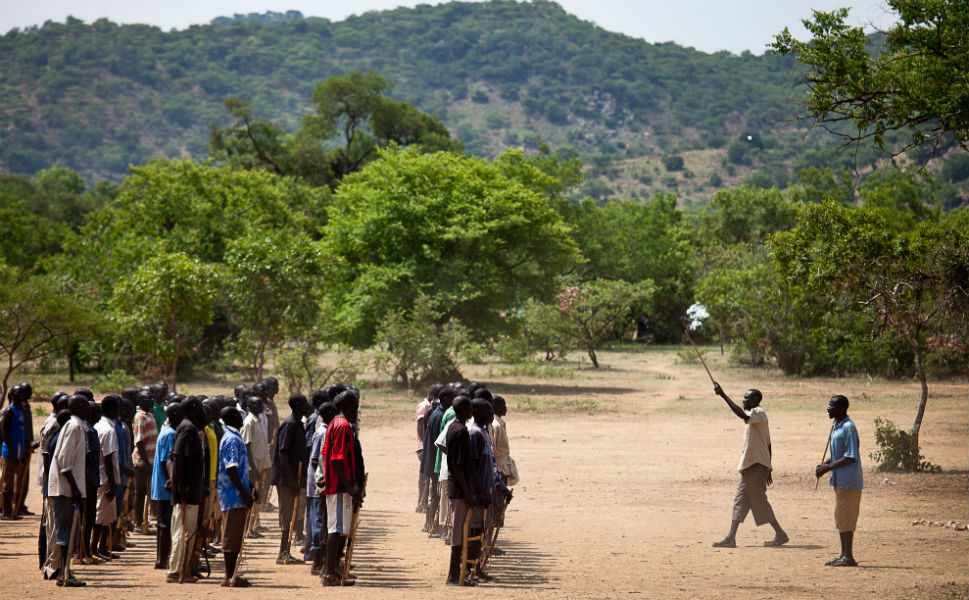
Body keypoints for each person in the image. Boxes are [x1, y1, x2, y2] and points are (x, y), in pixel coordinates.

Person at [711, 382, 788, 548]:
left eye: (747, 398)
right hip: (751, 466)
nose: (743, 400)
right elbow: (767, 443)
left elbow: (742, 415)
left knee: (759, 501)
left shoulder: (758, 413)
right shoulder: (755, 417)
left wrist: (723, 395)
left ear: (755, 400)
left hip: (756, 465)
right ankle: (731, 537)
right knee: (740, 500)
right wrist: (769, 467)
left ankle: (780, 534)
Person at [46, 395, 90, 587]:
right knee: (66, 532)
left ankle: (66, 572)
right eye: (87, 405)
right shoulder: (74, 426)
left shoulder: (76, 425)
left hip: (67, 488)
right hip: (66, 489)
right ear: (80, 406)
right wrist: (76, 489)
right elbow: (64, 461)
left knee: (68, 532)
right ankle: (64, 574)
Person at [815, 394, 863, 567]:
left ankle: (848, 557)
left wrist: (828, 468)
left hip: (849, 482)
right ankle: (843, 554)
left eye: (832, 405)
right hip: (839, 481)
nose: (828, 408)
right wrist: (825, 464)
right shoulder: (837, 425)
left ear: (842, 408)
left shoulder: (849, 427)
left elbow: (851, 456)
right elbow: (839, 455)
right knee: (841, 517)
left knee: (847, 518)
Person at [320, 390, 362, 586]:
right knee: (335, 531)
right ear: (348, 407)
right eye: (355, 406)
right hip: (338, 488)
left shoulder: (334, 424)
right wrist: (349, 486)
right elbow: (336, 460)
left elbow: (325, 453)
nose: (356, 411)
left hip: (337, 486)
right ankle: (329, 573)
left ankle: (335, 569)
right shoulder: (342, 426)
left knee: (337, 529)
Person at [167, 397, 206, 583]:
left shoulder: (188, 427)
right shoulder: (188, 428)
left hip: (190, 491)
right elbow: (178, 458)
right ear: (193, 408)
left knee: (186, 532)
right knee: (183, 533)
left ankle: (182, 570)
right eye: (200, 407)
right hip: (186, 494)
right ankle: (177, 571)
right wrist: (181, 486)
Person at [217, 407, 255, 587]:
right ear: (232, 417)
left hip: (237, 493)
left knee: (236, 534)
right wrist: (244, 493)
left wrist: (251, 487)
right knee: (231, 535)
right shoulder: (231, 439)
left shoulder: (234, 436)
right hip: (233, 495)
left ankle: (232, 574)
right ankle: (229, 576)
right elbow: (231, 469)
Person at [270, 392, 310, 564]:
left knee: (291, 515)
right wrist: (291, 480)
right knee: (287, 516)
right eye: (305, 403)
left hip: (293, 478)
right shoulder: (290, 425)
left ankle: (286, 552)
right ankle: (283, 553)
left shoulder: (298, 424)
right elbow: (283, 453)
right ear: (299, 405)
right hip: (286, 479)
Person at [445, 395, 479, 585]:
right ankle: (453, 575)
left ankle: (457, 574)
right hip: (458, 490)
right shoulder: (459, 431)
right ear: (466, 409)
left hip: (457, 487)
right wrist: (467, 492)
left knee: (459, 531)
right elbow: (458, 466)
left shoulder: (454, 427)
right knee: (458, 533)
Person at [152, 402, 183, 570]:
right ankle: (161, 559)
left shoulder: (166, 431)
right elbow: (166, 462)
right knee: (164, 524)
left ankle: (161, 558)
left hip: (162, 484)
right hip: (165, 486)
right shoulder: (170, 434)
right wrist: (170, 482)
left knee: (163, 523)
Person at [93, 396, 121, 559]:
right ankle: (94, 548)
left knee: (108, 516)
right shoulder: (108, 430)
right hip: (105, 478)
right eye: (118, 408)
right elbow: (109, 458)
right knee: (100, 515)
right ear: (111, 410)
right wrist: (111, 483)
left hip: (105, 477)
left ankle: (103, 547)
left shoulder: (100, 426)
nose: (120, 411)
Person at [240, 396, 269, 535]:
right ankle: (247, 527)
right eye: (257, 404)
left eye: (260, 404)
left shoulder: (258, 421)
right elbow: (246, 446)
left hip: (261, 465)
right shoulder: (249, 422)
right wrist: (253, 468)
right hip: (253, 467)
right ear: (249, 407)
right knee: (251, 495)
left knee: (257, 496)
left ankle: (253, 526)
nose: (260, 407)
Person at [1, 383, 28, 519]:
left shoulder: (21, 410)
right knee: (8, 484)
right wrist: (12, 453)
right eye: (18, 393)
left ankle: (14, 510)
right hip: (9, 453)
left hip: (19, 453)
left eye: (23, 394)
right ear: (12, 395)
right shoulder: (9, 410)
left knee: (17, 484)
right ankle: (5, 512)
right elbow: (4, 433)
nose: (21, 396)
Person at [132, 390, 158, 532]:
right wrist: (147, 464)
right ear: (140, 401)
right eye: (147, 398)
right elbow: (140, 442)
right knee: (140, 492)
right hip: (142, 462)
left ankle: (144, 522)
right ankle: (138, 523)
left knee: (148, 492)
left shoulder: (150, 415)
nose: (151, 400)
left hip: (151, 461)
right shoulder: (140, 417)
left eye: (151, 397)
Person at [415, 384, 440, 513]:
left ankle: (422, 505)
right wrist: (427, 445)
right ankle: (422, 505)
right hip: (423, 447)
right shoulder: (424, 407)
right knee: (426, 477)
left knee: (426, 477)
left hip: (425, 446)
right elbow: (420, 427)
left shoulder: (428, 406)